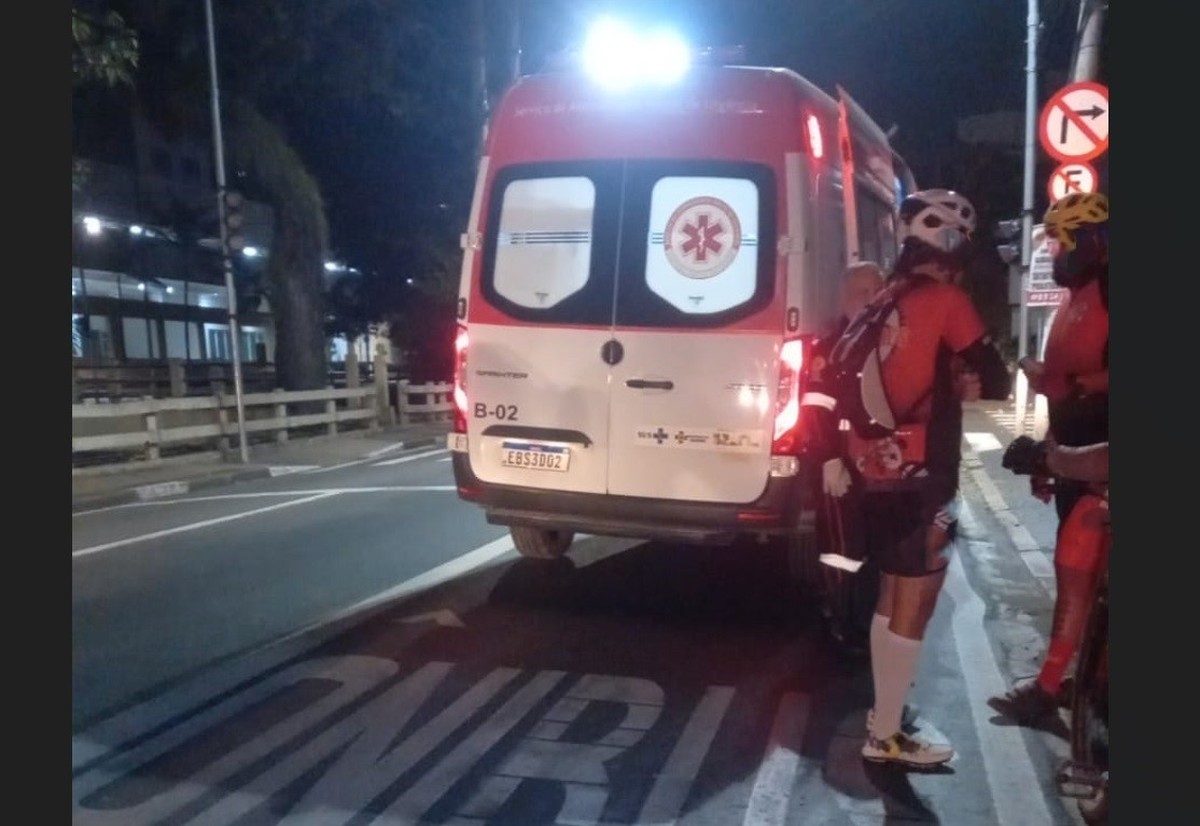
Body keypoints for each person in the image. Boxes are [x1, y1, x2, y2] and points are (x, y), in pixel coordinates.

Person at [820, 188, 1011, 767]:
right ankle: (887, 737)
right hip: (922, 474)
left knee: (891, 592)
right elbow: (994, 376)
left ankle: (886, 714)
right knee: (917, 599)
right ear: (953, 246)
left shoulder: (887, 296)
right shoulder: (948, 300)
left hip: (875, 471)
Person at [988, 191, 1109, 725]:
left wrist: (1076, 383)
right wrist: (1046, 452)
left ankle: (1065, 689)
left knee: (1083, 576)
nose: (1056, 252)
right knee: (1077, 579)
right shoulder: (1076, 293)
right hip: (1070, 458)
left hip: (1103, 465)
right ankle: (1070, 685)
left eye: (1064, 240)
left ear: (1091, 240)